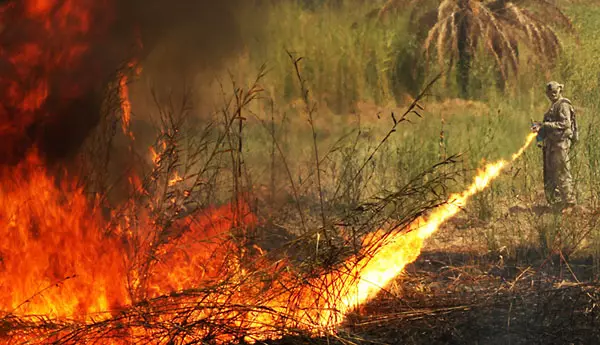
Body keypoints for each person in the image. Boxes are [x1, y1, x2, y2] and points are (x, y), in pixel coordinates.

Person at [531, 81, 577, 211]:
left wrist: (546, 125)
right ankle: (558, 203)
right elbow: (549, 126)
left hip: (561, 144)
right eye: (549, 93)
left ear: (559, 91)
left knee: (562, 172)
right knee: (552, 175)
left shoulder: (563, 105)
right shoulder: (553, 106)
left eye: (554, 92)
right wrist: (539, 128)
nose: (552, 95)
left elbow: (565, 124)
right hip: (551, 145)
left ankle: (569, 202)